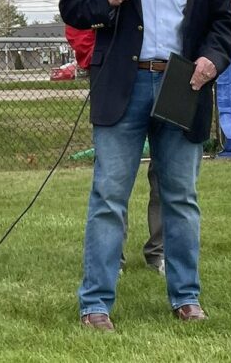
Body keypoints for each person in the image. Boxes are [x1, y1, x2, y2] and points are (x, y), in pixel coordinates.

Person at [59, 0, 231, 331]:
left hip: (185, 81)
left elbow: (224, 23)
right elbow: (73, 8)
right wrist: (106, 0)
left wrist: (211, 61)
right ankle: (95, 306)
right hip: (125, 82)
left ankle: (186, 298)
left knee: (180, 196)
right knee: (108, 197)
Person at [65, 24, 164, 275]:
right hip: (116, 80)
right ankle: (110, 257)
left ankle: (161, 253)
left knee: (169, 177)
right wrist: (98, 59)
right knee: (112, 180)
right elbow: (78, 16)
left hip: (169, 73)